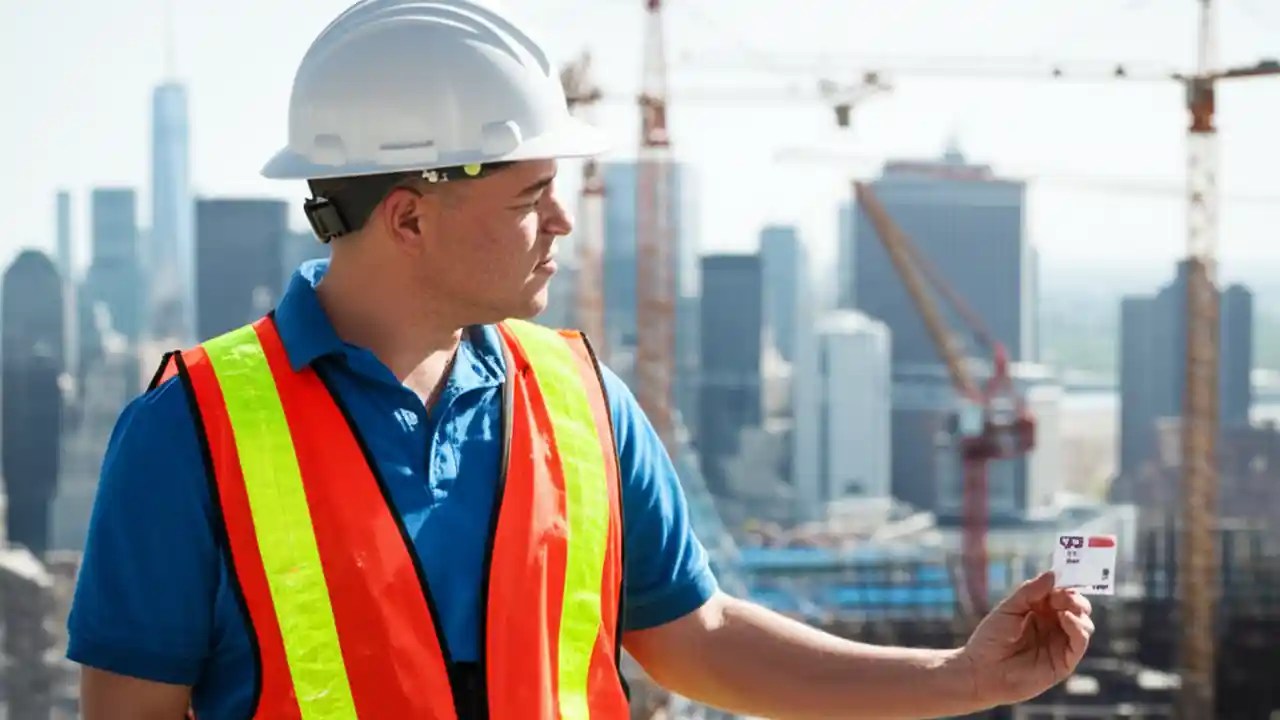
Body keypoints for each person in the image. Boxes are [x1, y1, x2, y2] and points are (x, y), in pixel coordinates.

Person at [67, 1, 1095, 718]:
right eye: (528, 197)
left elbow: (694, 635)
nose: (564, 220)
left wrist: (958, 679)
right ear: (408, 215)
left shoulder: (579, 400)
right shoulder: (188, 435)